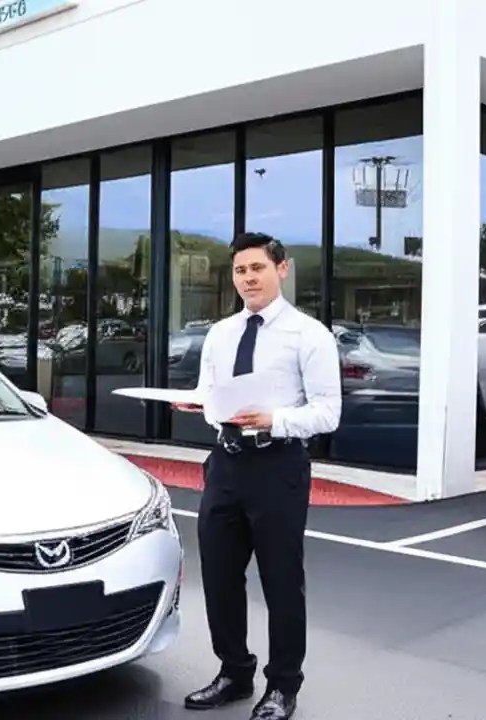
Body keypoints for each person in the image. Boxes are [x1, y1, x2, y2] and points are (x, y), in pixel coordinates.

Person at [177, 232, 341, 720]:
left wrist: (276, 420)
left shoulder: (309, 335)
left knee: (281, 581)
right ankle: (234, 672)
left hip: (278, 466)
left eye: (257, 269)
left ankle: (283, 686)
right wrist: (200, 404)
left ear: (282, 269)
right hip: (226, 465)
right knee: (220, 577)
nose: (248, 278)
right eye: (240, 270)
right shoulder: (222, 332)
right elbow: (212, 392)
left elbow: (328, 412)